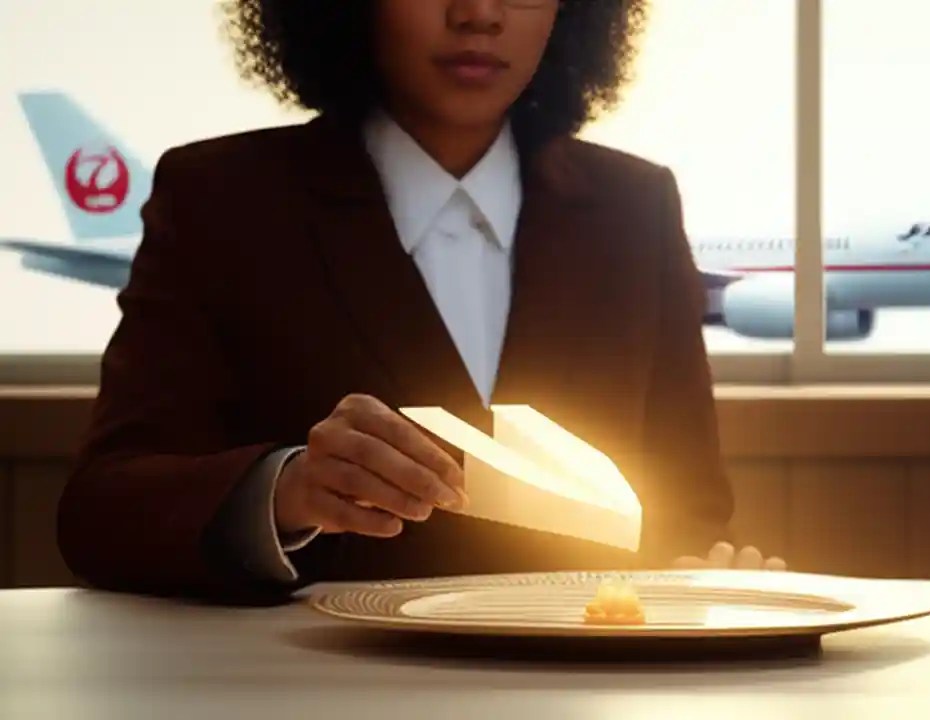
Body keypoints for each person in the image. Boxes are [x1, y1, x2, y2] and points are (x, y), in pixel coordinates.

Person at [56, 0, 784, 605]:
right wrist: (287, 489)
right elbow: (101, 513)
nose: (479, 13)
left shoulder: (635, 206)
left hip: (579, 695)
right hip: (317, 696)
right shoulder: (223, 199)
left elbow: (687, 511)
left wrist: (702, 580)